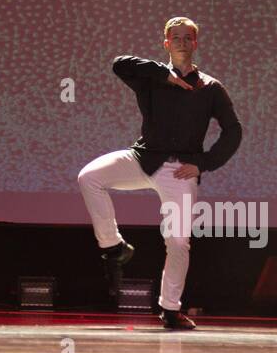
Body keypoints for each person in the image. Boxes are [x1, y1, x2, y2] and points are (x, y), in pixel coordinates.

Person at [77, 17, 242, 330]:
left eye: (187, 37)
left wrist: (204, 163)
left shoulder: (210, 88)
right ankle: (113, 246)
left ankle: (170, 309)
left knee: (178, 241)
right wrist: (161, 74)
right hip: (144, 158)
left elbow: (233, 130)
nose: (181, 42)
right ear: (166, 43)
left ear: (196, 43)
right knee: (90, 177)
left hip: (180, 169)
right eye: (175, 37)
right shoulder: (150, 78)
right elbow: (119, 64)